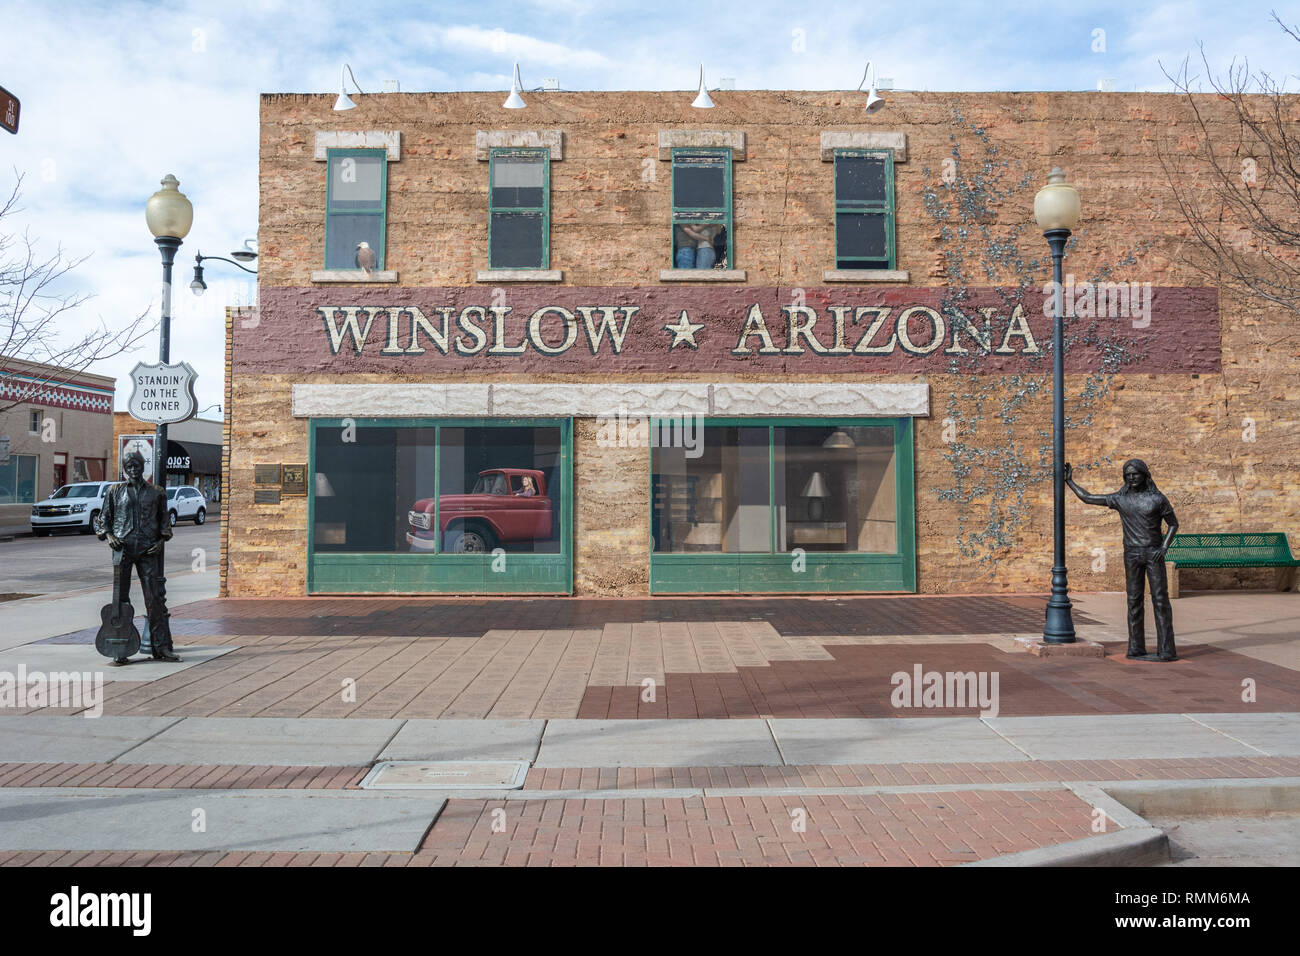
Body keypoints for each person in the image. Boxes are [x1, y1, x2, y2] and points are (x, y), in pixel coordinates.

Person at [1065, 459, 1178, 661]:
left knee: (1160, 601)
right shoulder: (1120, 499)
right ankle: (1135, 647)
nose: (1132, 478)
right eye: (1128, 475)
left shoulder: (1157, 499)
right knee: (1133, 600)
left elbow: (1173, 524)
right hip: (1132, 554)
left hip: (1153, 553)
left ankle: (1166, 649)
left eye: (1136, 474)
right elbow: (1089, 498)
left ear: (1145, 475)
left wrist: (1163, 547)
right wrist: (1070, 482)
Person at [97, 451, 181, 663]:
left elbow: (165, 522)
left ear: (143, 467)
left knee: (154, 600)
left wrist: (161, 541)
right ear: (125, 469)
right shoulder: (114, 491)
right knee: (120, 599)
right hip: (122, 548)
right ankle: (121, 650)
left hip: (147, 549)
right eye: (129, 467)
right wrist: (109, 536)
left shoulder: (157, 492)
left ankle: (161, 648)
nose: (133, 470)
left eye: (137, 466)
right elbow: (103, 519)